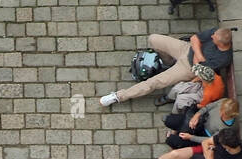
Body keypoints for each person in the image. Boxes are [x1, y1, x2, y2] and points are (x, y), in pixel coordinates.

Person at [100, 27, 234, 106]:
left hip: (189, 68)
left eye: (214, 38)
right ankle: (168, 62)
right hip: (186, 49)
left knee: (153, 82)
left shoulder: (224, 58)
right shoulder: (217, 32)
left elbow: (199, 67)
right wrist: (198, 54)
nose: (211, 36)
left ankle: (119, 96)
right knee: (153, 39)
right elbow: (194, 38)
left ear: (221, 43)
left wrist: (197, 53)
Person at [165, 97, 238, 149]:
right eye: (220, 109)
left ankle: (176, 140)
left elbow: (210, 139)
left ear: (232, 116)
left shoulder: (227, 129)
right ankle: (178, 133)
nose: (220, 113)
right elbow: (208, 107)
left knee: (171, 140)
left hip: (202, 136)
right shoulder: (224, 102)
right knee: (168, 121)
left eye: (223, 113)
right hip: (200, 121)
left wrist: (190, 137)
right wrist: (197, 115)